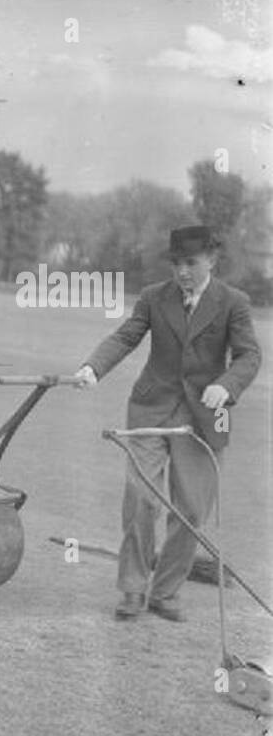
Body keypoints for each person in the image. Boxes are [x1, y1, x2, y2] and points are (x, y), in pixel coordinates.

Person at [73, 225, 262, 621]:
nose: (182, 272)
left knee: (192, 511)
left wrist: (225, 387)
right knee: (141, 498)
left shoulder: (234, 302)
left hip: (206, 416)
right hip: (150, 409)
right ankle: (132, 589)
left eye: (191, 263)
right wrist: (93, 367)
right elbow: (125, 337)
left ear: (212, 259)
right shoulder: (153, 298)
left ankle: (166, 592)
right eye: (176, 263)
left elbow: (248, 356)